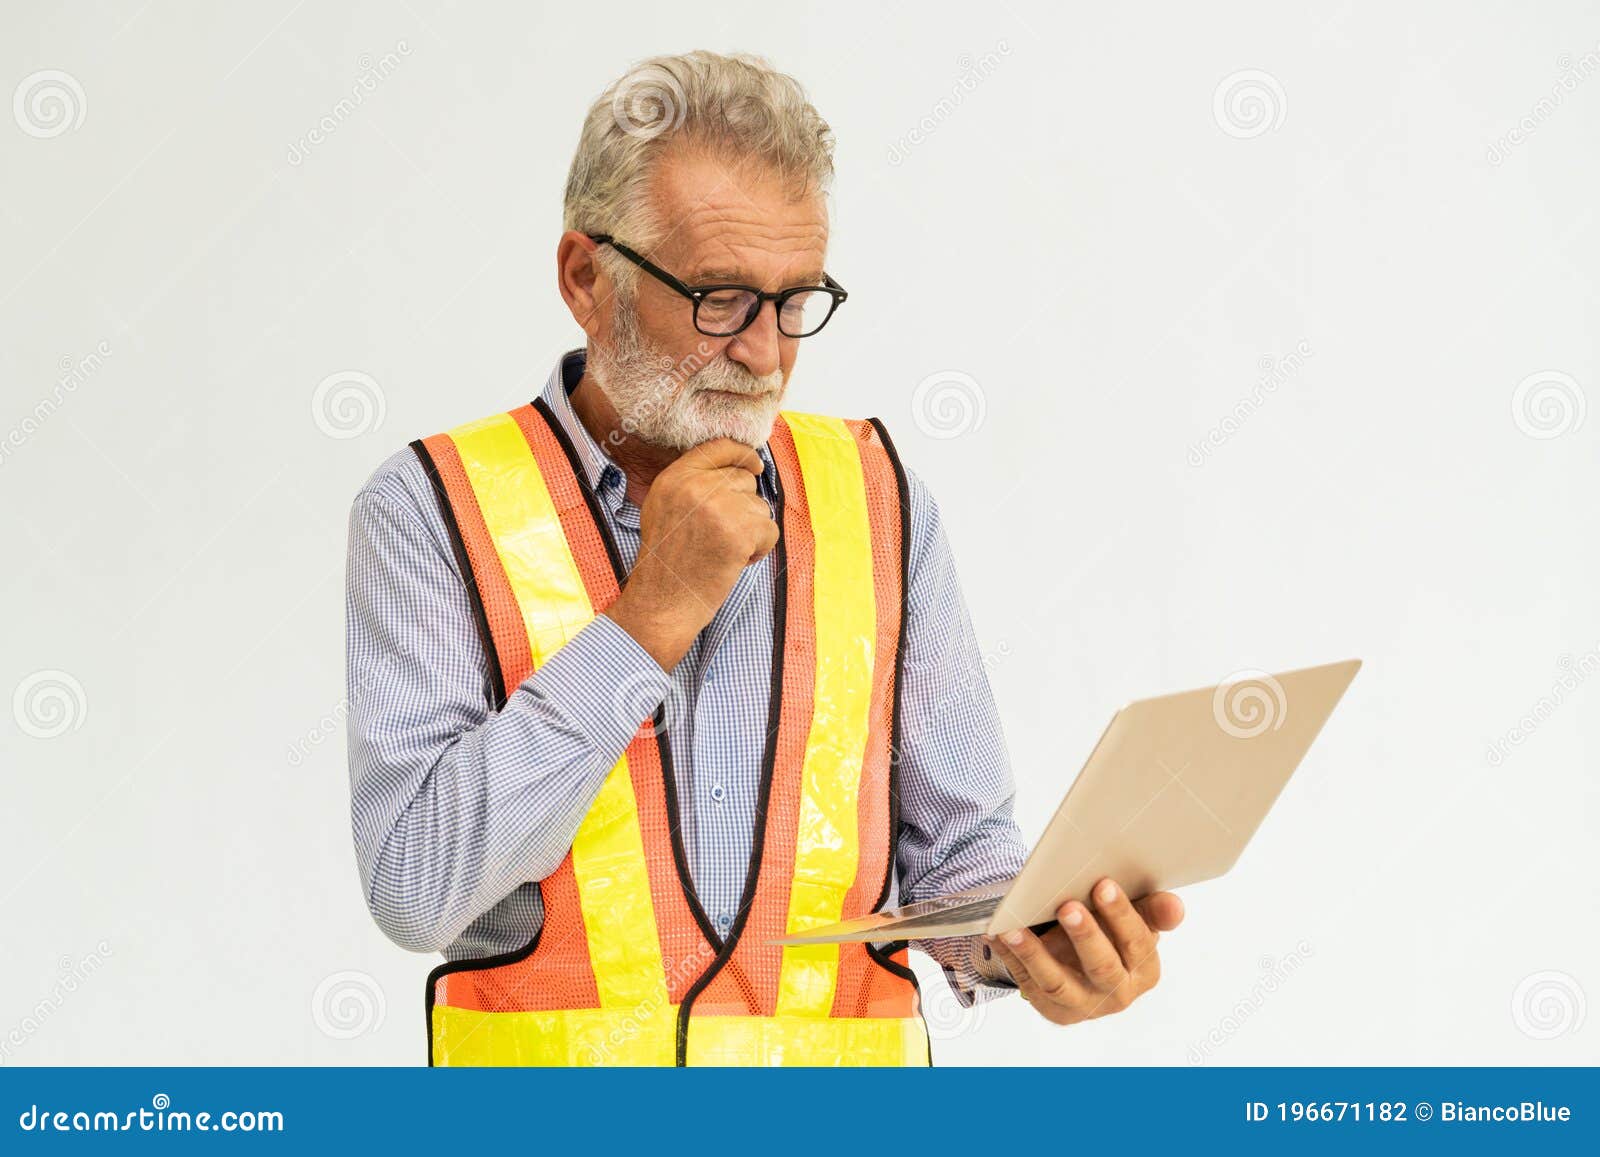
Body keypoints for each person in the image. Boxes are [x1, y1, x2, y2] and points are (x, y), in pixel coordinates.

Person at [345, 49, 1184, 1066]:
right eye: (719, 297)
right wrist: (650, 611)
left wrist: (1033, 948)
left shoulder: (879, 496)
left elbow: (958, 858)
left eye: (795, 299)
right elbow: (414, 885)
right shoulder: (431, 506)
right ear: (584, 279)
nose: (765, 351)